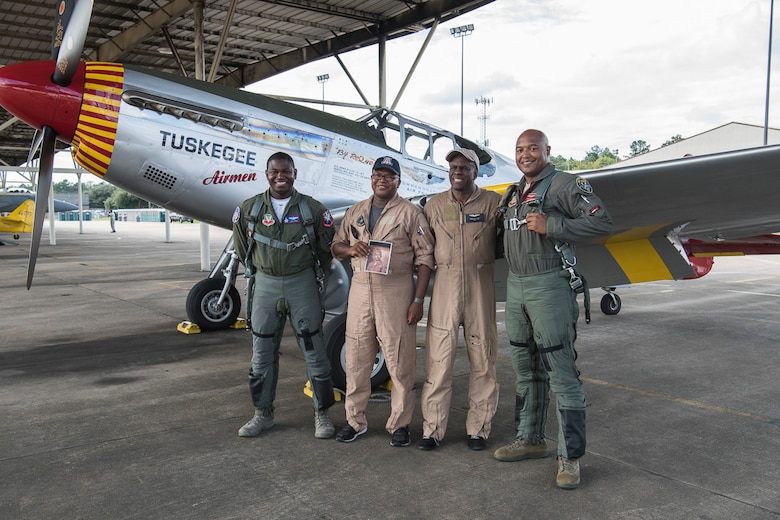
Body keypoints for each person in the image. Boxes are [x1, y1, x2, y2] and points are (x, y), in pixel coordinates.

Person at [494, 129, 613, 489]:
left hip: (549, 284)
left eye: (533, 148)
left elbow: (602, 221)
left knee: (561, 372)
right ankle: (530, 440)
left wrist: (554, 225)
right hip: (517, 285)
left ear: (548, 150)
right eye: (519, 149)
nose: (525, 154)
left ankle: (570, 458)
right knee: (524, 367)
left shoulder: (564, 185)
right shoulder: (514, 193)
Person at [232, 151, 337, 440]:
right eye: (275, 172)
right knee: (261, 354)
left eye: (286, 171)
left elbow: (325, 251)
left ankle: (322, 414)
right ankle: (261, 414)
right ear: (266, 174)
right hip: (264, 284)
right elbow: (243, 248)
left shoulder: (313, 210)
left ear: (295, 173)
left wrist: (302, 272)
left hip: (301, 284)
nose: (281, 176)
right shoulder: (250, 208)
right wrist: (265, 269)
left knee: (314, 352)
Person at [331, 155, 434, 447]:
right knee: (357, 359)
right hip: (361, 290)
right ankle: (355, 421)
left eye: (389, 176)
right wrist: (351, 250)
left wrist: (418, 300)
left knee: (400, 361)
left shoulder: (411, 213)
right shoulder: (357, 211)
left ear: (398, 181)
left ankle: (400, 424)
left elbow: (426, 259)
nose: (382, 180)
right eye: (378, 174)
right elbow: (336, 245)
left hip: (396, 290)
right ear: (371, 178)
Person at [417, 148, 501, 452]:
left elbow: (506, 242)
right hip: (445, 284)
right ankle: (432, 430)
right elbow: (423, 249)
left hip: (481, 283)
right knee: (439, 359)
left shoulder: (494, 203)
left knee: (483, 359)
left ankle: (478, 430)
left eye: (464, 168)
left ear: (475, 172)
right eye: (453, 167)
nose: (457, 172)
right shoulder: (434, 205)